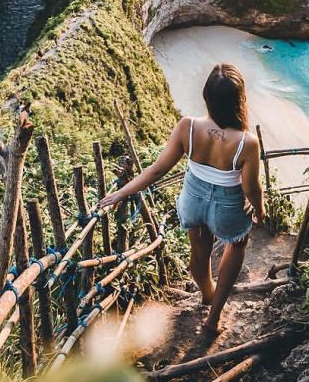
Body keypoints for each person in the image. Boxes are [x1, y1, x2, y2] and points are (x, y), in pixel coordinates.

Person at [100, 63, 265, 335]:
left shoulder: (187, 127)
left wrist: (120, 192)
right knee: (237, 244)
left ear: (207, 98)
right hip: (227, 206)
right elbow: (251, 188)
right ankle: (213, 318)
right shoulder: (247, 143)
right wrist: (259, 210)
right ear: (240, 99)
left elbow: (156, 170)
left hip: (192, 200)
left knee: (199, 255)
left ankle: (207, 293)